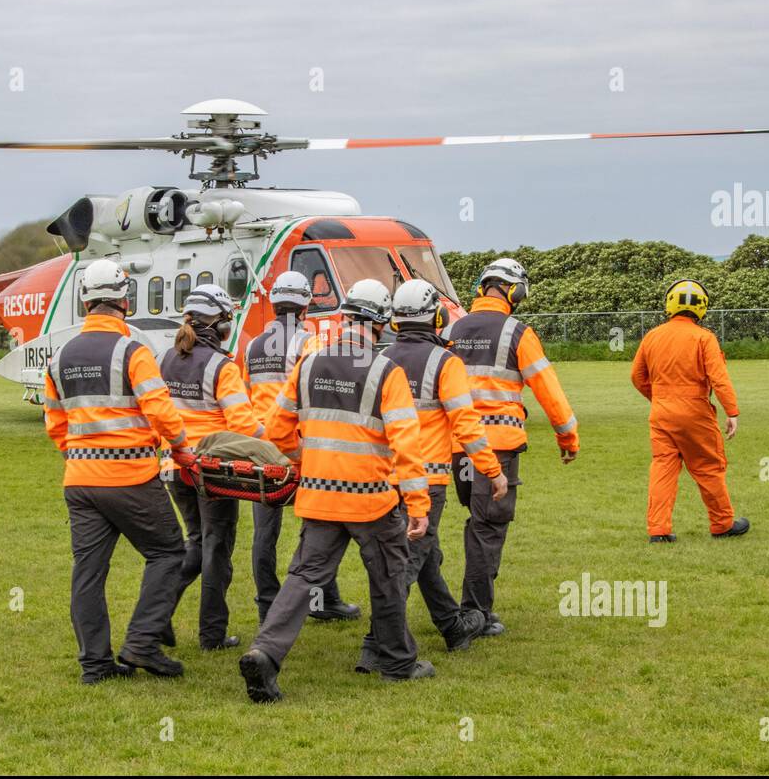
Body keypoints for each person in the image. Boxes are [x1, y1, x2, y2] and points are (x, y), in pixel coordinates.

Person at [238, 279, 432, 703]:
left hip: (319, 494)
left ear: (344, 316)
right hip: (372, 499)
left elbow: (276, 430)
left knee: (304, 577)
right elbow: (405, 443)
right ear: (381, 323)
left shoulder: (308, 364)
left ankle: (265, 653)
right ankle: (398, 662)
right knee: (388, 575)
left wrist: (303, 460)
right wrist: (418, 504)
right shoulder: (387, 372)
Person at [43, 259, 193, 683]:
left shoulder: (60, 357)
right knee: (167, 553)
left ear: (85, 302)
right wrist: (182, 451)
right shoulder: (133, 351)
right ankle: (143, 643)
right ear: (125, 302)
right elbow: (160, 411)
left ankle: (95, 665)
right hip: (130, 477)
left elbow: (55, 424)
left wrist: (80, 456)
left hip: (79, 481)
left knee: (88, 573)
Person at [355, 279, 507, 671]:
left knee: (426, 556)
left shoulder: (381, 359)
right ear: (436, 318)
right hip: (427, 481)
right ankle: (377, 647)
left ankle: (452, 625)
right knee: (406, 562)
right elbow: (467, 426)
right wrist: (492, 470)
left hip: (385, 476)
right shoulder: (445, 362)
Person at [445, 258, 579, 637]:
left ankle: (465, 606)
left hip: (457, 447)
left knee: (476, 521)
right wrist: (567, 436)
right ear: (514, 290)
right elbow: (547, 388)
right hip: (498, 449)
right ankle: (475, 612)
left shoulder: (452, 329)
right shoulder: (517, 332)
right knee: (488, 527)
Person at [242, 270, 361, 624]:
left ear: (274, 303)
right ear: (306, 305)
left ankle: (267, 605)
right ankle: (322, 599)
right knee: (318, 526)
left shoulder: (252, 345)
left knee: (265, 532)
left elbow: (250, 393)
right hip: (297, 448)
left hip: (261, 447)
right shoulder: (309, 342)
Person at [161, 284, 264, 651]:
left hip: (174, 467)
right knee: (216, 549)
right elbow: (245, 426)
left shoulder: (163, 360)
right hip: (213, 472)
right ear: (217, 322)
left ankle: (157, 616)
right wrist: (275, 444)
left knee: (197, 541)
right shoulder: (222, 366)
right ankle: (212, 635)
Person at [630, 279, 749, 542]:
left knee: (663, 467)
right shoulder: (704, 338)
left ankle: (659, 530)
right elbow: (719, 378)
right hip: (696, 412)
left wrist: (658, 397)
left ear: (670, 304)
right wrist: (732, 411)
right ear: (701, 308)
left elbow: (637, 376)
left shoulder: (652, 336)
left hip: (661, 413)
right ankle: (722, 524)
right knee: (708, 466)